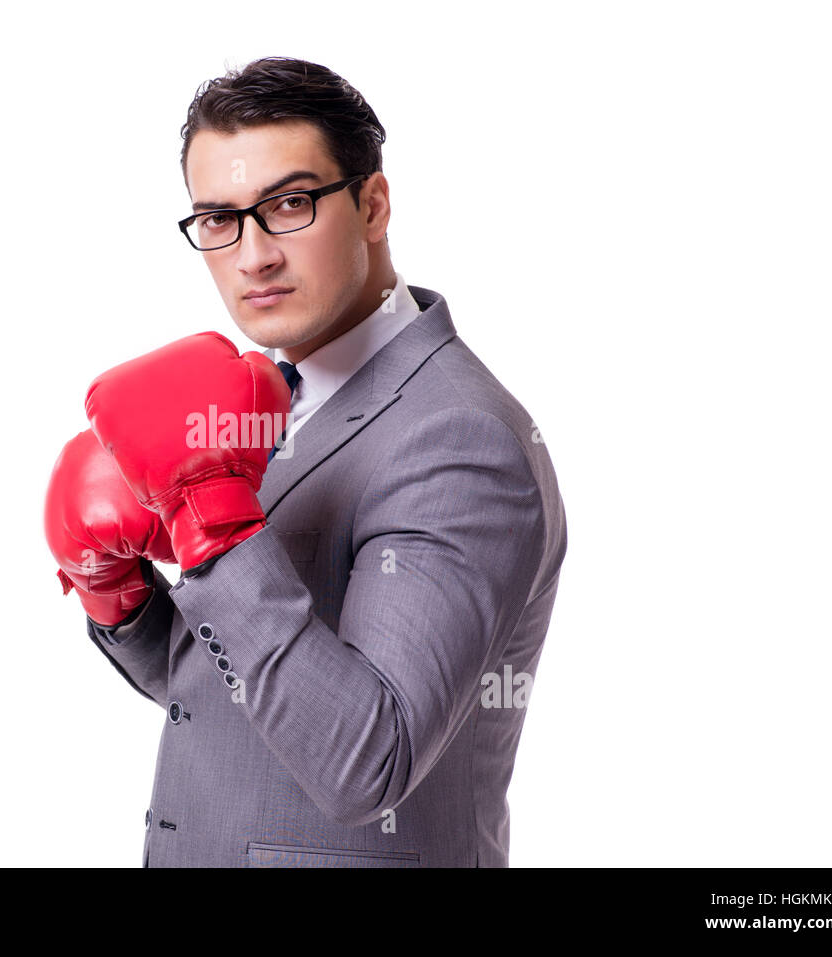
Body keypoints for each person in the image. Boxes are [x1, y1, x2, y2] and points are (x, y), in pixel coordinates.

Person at [44, 56, 567, 867]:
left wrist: (210, 517)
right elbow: (235, 696)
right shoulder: (260, 403)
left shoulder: (461, 439)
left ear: (373, 205)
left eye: (289, 204)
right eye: (218, 218)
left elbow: (367, 759)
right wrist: (119, 600)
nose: (252, 255)